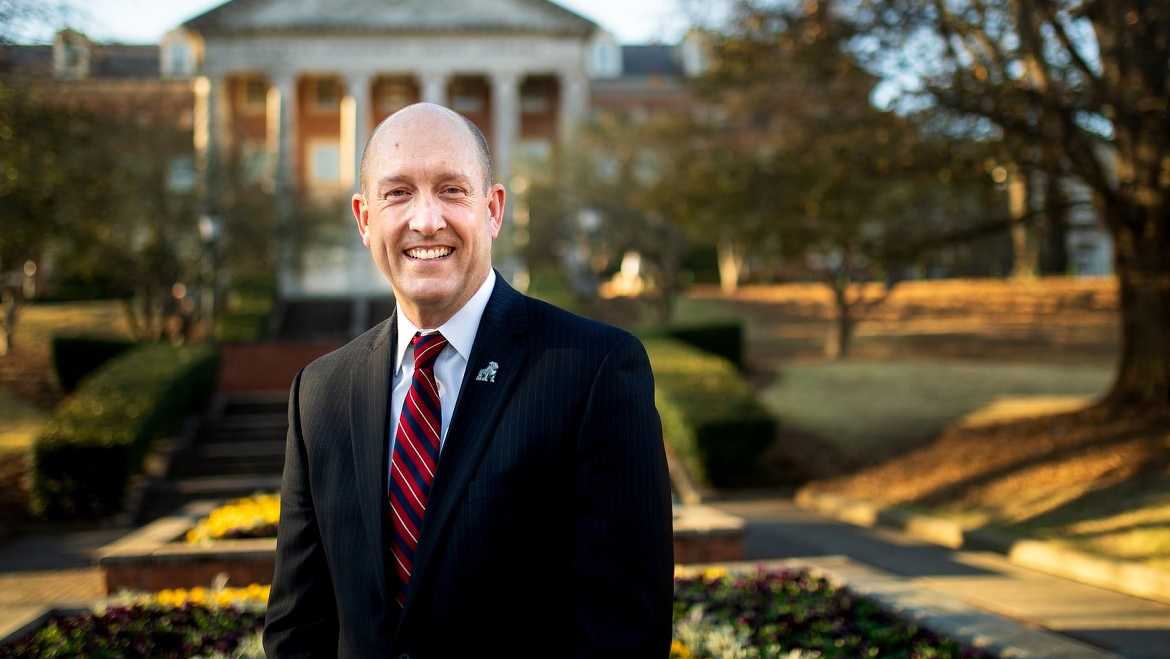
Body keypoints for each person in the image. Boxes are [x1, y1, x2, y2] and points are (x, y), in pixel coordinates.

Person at [263, 103, 674, 658]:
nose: (426, 220)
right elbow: (298, 627)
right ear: (363, 219)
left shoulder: (593, 369)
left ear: (494, 209)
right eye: (398, 192)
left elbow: (626, 630)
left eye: (452, 190)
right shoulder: (319, 393)